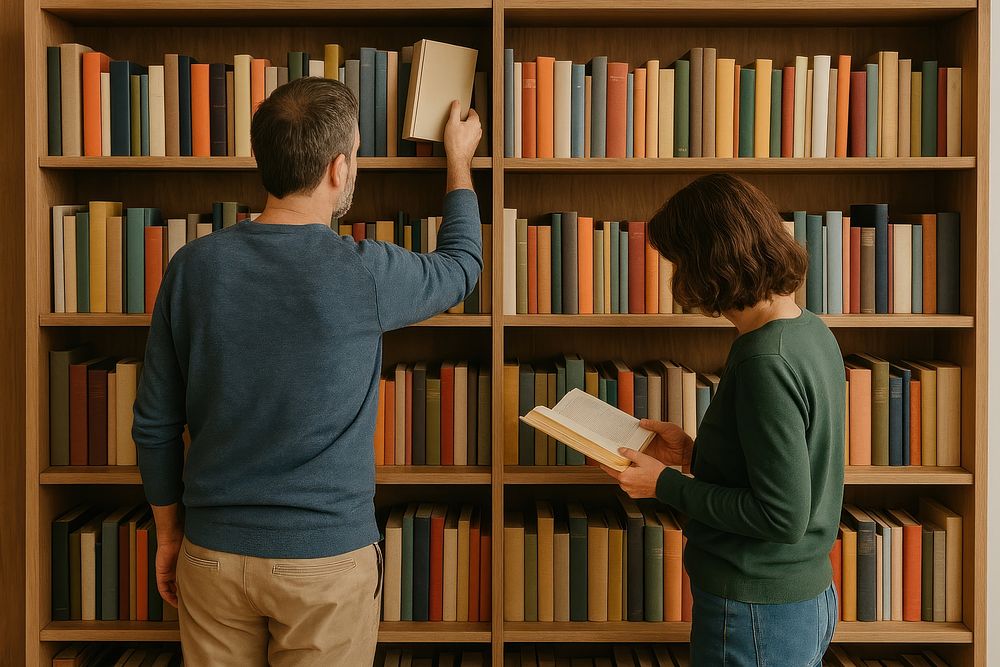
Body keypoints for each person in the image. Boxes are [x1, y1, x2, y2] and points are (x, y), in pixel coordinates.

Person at [132, 77, 483, 666]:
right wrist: (458, 163)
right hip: (326, 563)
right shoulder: (366, 273)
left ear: (262, 162)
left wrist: (168, 535)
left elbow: (154, 425)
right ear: (340, 169)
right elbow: (462, 265)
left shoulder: (191, 267)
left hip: (212, 554)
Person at [602, 174, 845, 667]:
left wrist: (664, 485)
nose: (678, 279)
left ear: (708, 262)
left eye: (679, 262)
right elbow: (787, 463)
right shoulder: (807, 330)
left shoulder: (765, 360)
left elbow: (781, 516)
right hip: (798, 596)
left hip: (758, 607)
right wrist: (695, 455)